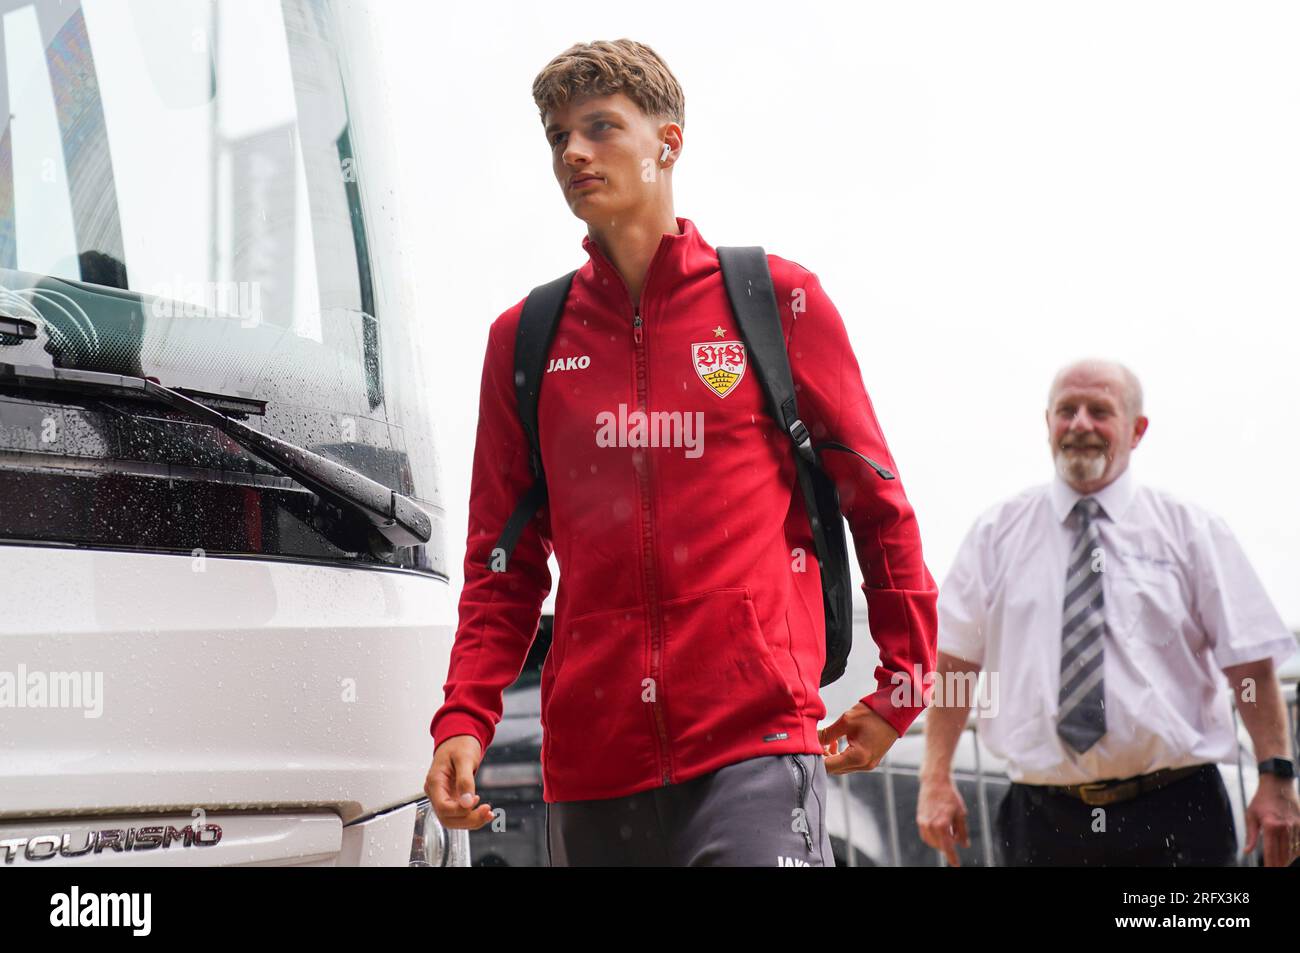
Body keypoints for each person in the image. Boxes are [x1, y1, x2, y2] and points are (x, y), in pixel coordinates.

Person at [423, 38, 938, 866]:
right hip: (591, 766)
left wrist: (903, 686)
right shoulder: (524, 339)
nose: (574, 153)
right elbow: (502, 564)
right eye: (558, 136)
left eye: (600, 127)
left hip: (756, 742)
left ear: (669, 142)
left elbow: (878, 505)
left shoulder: (778, 301)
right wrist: (465, 718)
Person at [917, 358, 1300, 867]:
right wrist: (935, 777)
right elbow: (956, 666)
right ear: (1047, 422)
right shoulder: (995, 535)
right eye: (1065, 410)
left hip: (1179, 814)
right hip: (1041, 821)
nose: (1079, 424)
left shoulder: (1191, 531)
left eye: (1099, 411)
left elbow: (1249, 666)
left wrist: (1276, 774)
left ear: (1137, 429)